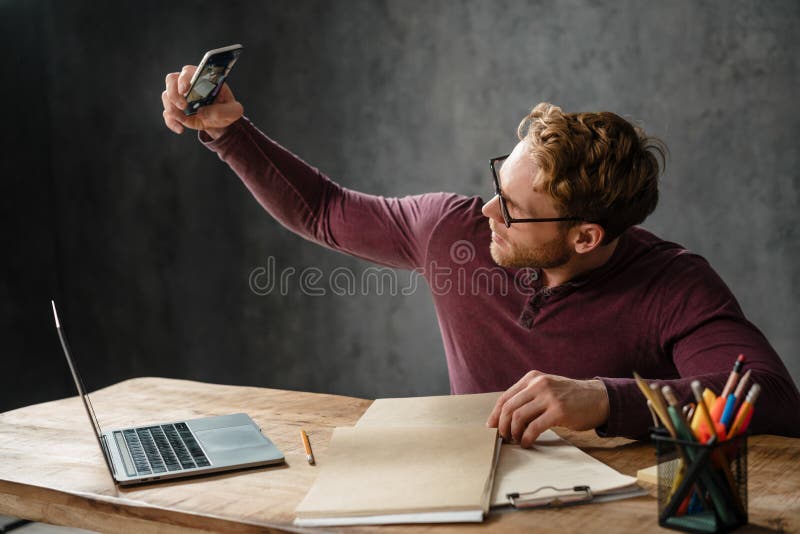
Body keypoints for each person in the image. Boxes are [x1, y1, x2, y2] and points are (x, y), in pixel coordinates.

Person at [161, 65, 800, 446]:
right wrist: (227, 132)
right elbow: (323, 210)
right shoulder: (454, 228)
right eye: (498, 184)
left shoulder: (675, 285)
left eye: (513, 209)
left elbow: (770, 398)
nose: (487, 211)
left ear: (586, 237)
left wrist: (604, 401)